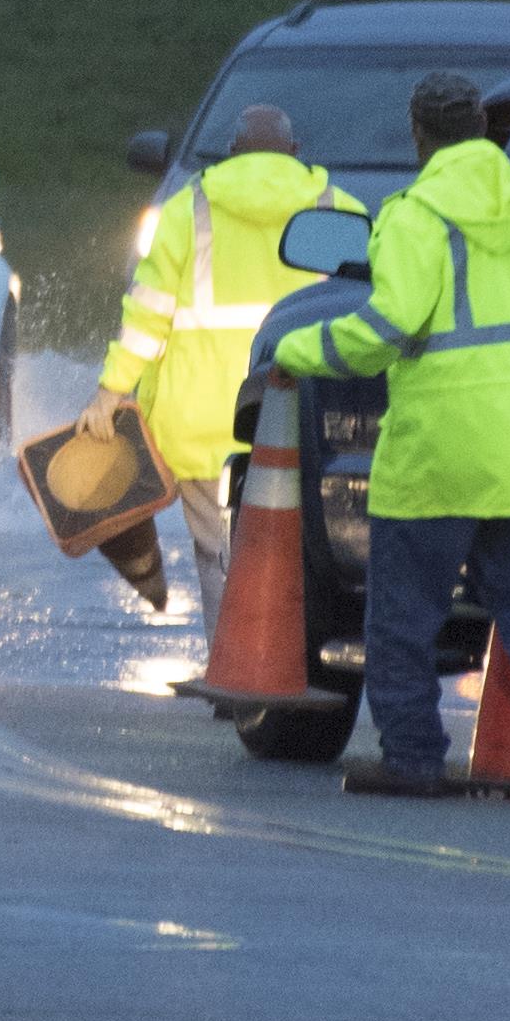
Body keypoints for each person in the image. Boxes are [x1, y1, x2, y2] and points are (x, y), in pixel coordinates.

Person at [263, 71, 510, 800]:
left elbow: (385, 328)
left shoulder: (415, 214)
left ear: (419, 134)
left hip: (438, 452)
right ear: (485, 131)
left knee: (401, 614)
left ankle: (413, 760)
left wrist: (296, 351)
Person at [93, 103, 357, 628]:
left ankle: (231, 668)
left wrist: (110, 390)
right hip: (301, 410)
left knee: (217, 552)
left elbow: (146, 316)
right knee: (298, 549)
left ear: (233, 154)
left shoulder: (187, 211)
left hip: (204, 419)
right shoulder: (337, 208)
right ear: (296, 153)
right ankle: (289, 663)